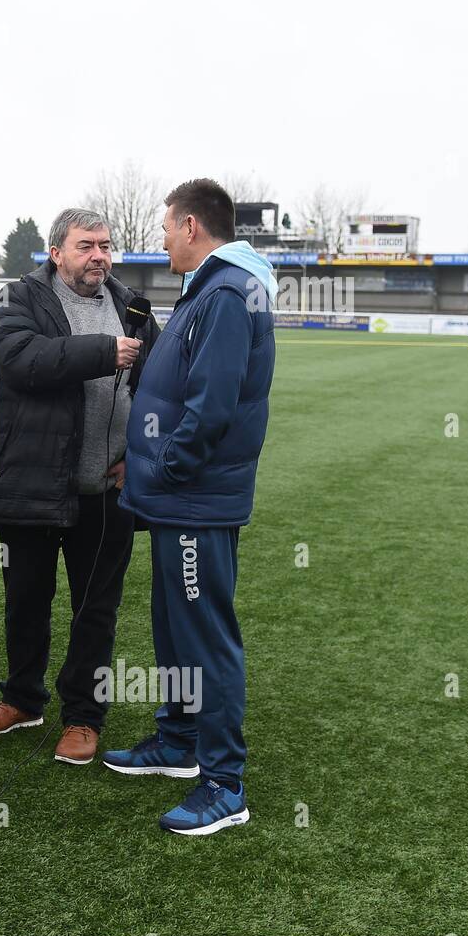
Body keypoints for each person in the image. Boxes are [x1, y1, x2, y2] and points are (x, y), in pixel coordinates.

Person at [104, 178, 276, 836]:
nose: (164, 238)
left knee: (205, 637)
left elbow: (211, 408)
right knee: (176, 629)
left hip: (194, 499)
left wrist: (167, 470)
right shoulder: (215, 287)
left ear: (193, 226)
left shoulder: (229, 292)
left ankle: (224, 784)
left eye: (168, 226)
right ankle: (177, 740)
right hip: (177, 499)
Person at [0, 208, 160, 765]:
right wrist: (105, 352)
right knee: (25, 600)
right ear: (56, 252)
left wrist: (139, 458)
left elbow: (161, 391)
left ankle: (82, 717)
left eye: (105, 245)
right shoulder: (18, 299)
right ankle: (22, 700)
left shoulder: (133, 307)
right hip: (31, 482)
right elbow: (19, 361)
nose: (98, 255)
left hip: (107, 492)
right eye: (85, 246)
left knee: (94, 609)